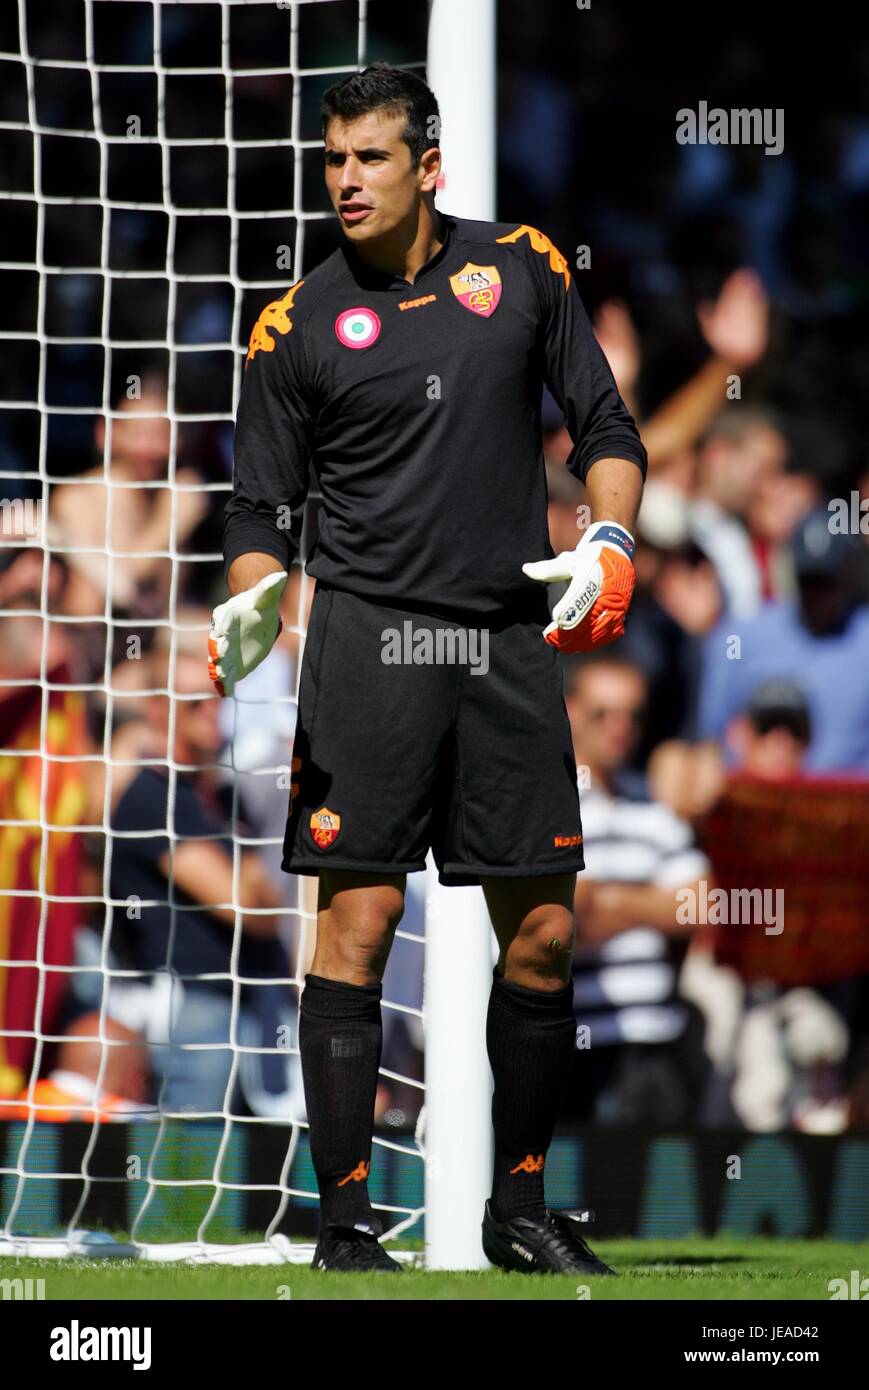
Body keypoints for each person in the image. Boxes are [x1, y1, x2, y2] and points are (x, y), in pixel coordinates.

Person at [210, 64, 647, 1274]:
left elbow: (605, 428)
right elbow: (259, 509)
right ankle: (345, 1229)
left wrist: (604, 535)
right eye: (333, 158)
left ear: (428, 165)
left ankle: (517, 1207)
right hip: (368, 646)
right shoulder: (292, 326)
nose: (345, 180)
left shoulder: (520, 268)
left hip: (505, 642)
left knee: (547, 932)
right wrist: (250, 596)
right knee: (357, 924)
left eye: (368, 158)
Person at [561, 654, 711, 1126]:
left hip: (658, 1051)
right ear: (569, 711)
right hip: (576, 1053)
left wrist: (605, 899)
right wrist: (651, 902)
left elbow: (701, 907)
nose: (620, 727)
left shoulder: (654, 811)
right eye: (603, 713)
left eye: (634, 714)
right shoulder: (551, 810)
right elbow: (567, 921)